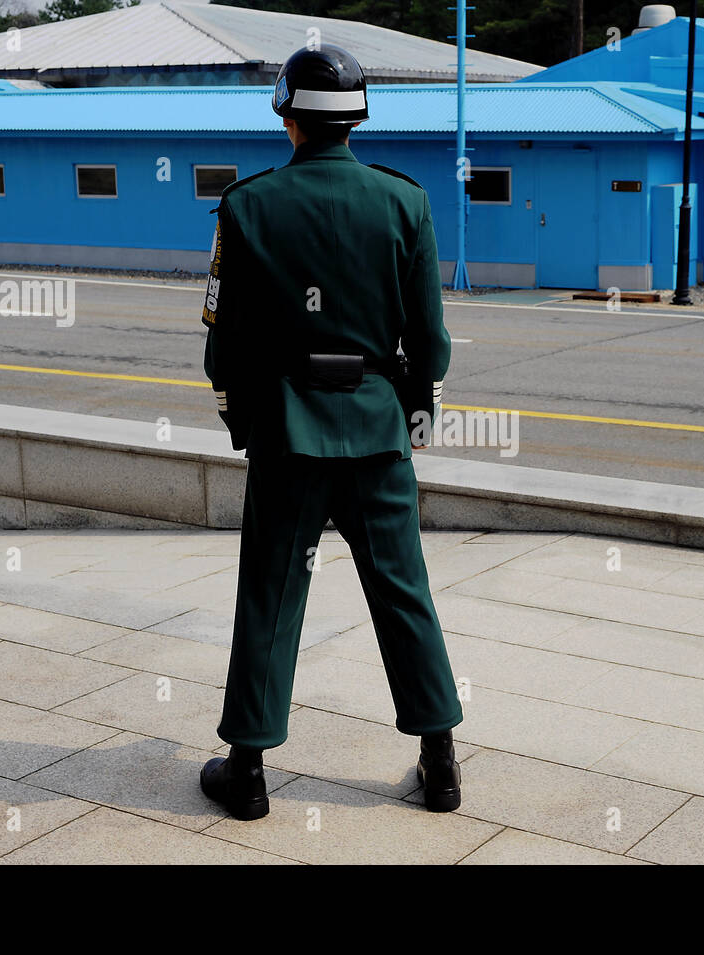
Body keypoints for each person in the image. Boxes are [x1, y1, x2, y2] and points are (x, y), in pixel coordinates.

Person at [198, 44, 463, 820]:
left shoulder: (247, 207)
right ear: (357, 116)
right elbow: (431, 340)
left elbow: (225, 346)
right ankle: (440, 761)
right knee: (403, 594)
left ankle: (247, 770)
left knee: (270, 596)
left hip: (287, 432)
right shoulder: (404, 202)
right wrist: (414, 416)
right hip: (378, 431)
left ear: (286, 113)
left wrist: (246, 421)